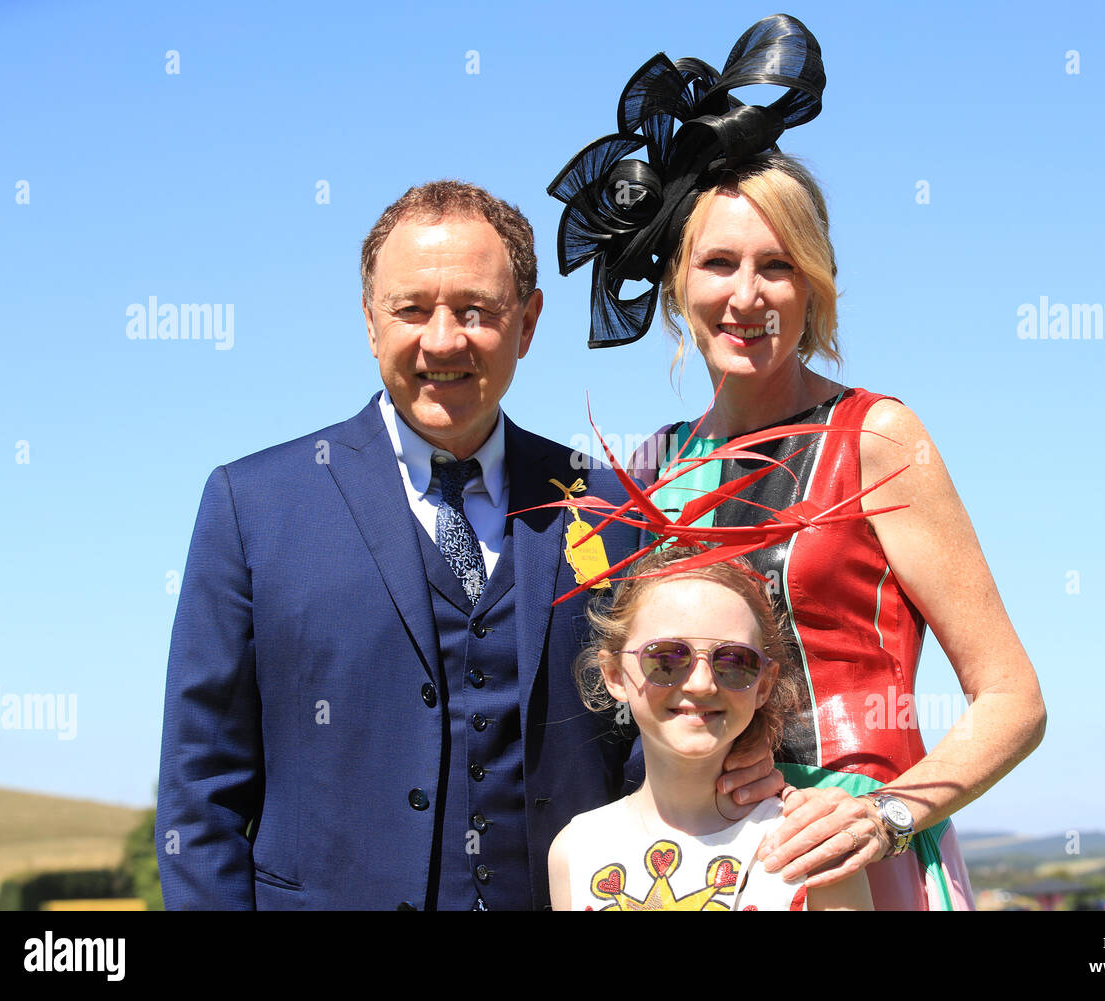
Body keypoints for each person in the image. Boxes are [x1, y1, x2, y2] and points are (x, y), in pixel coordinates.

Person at [154, 180, 784, 911]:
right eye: (412, 309)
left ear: (527, 323)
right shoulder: (253, 506)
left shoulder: (614, 505)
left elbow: (656, 730)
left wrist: (739, 754)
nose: (443, 339)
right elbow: (201, 790)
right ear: (369, 320)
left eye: (476, 311)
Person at [549, 15, 1046, 909]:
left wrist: (889, 812)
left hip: (861, 853)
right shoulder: (657, 465)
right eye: (719, 263)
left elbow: (1013, 698)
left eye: (777, 266)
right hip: (708, 868)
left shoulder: (877, 435)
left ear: (813, 284)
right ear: (676, 285)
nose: (746, 296)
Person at [549, 547, 873, 911]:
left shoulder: (810, 845)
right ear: (614, 675)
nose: (701, 684)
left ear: (764, 684)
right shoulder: (576, 850)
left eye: (735, 661)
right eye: (667, 658)